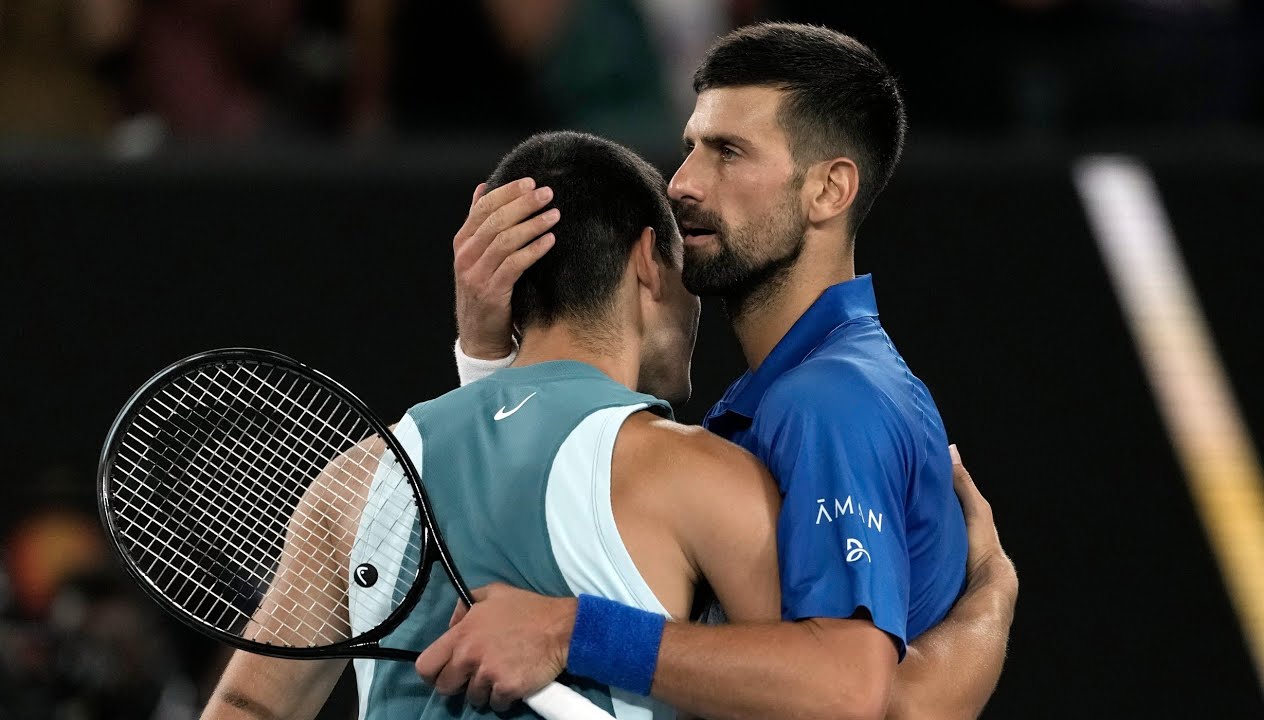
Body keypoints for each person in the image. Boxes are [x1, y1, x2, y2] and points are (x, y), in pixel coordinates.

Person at [419, 22, 1018, 720]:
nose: (683, 184)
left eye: (729, 152)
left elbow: (866, 699)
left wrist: (570, 630)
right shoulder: (784, 395)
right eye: (690, 148)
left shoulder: (830, 401)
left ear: (829, 190)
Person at [199, 129, 783, 720]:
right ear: (647, 261)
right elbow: (820, 692)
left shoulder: (356, 479)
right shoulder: (704, 475)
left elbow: (246, 708)